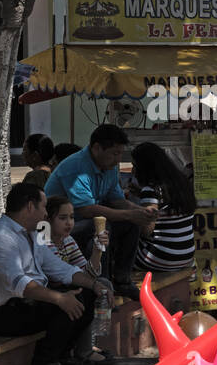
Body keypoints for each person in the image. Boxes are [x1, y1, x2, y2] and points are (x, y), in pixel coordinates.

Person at [0, 183, 107, 365]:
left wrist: (95, 285)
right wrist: (59, 298)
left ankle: (63, 355)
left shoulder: (34, 234)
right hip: (6, 312)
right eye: (44, 207)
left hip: (30, 304)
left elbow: (59, 267)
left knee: (86, 294)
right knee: (62, 304)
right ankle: (44, 363)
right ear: (30, 207)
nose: (46, 213)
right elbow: (19, 283)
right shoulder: (2, 236)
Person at [43, 124, 158, 300]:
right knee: (102, 227)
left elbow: (117, 201)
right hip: (56, 229)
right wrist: (130, 214)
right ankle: (102, 284)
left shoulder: (110, 168)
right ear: (96, 148)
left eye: (120, 153)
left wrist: (141, 212)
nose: (118, 159)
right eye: (114, 153)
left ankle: (122, 280)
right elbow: (87, 210)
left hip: (83, 223)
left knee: (128, 224)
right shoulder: (76, 168)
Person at [46, 195, 113, 365]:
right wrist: (90, 284)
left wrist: (98, 250)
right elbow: (56, 275)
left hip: (69, 286)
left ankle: (87, 345)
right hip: (50, 291)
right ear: (48, 220)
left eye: (71, 217)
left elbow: (88, 274)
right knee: (87, 292)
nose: (69, 223)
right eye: (62, 218)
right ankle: (83, 351)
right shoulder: (44, 241)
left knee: (104, 284)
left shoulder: (67, 240)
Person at [129, 142, 197, 275]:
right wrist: (142, 194)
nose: (133, 171)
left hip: (159, 258)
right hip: (186, 256)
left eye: (134, 166)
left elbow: (146, 230)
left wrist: (132, 213)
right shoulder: (182, 184)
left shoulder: (151, 190)